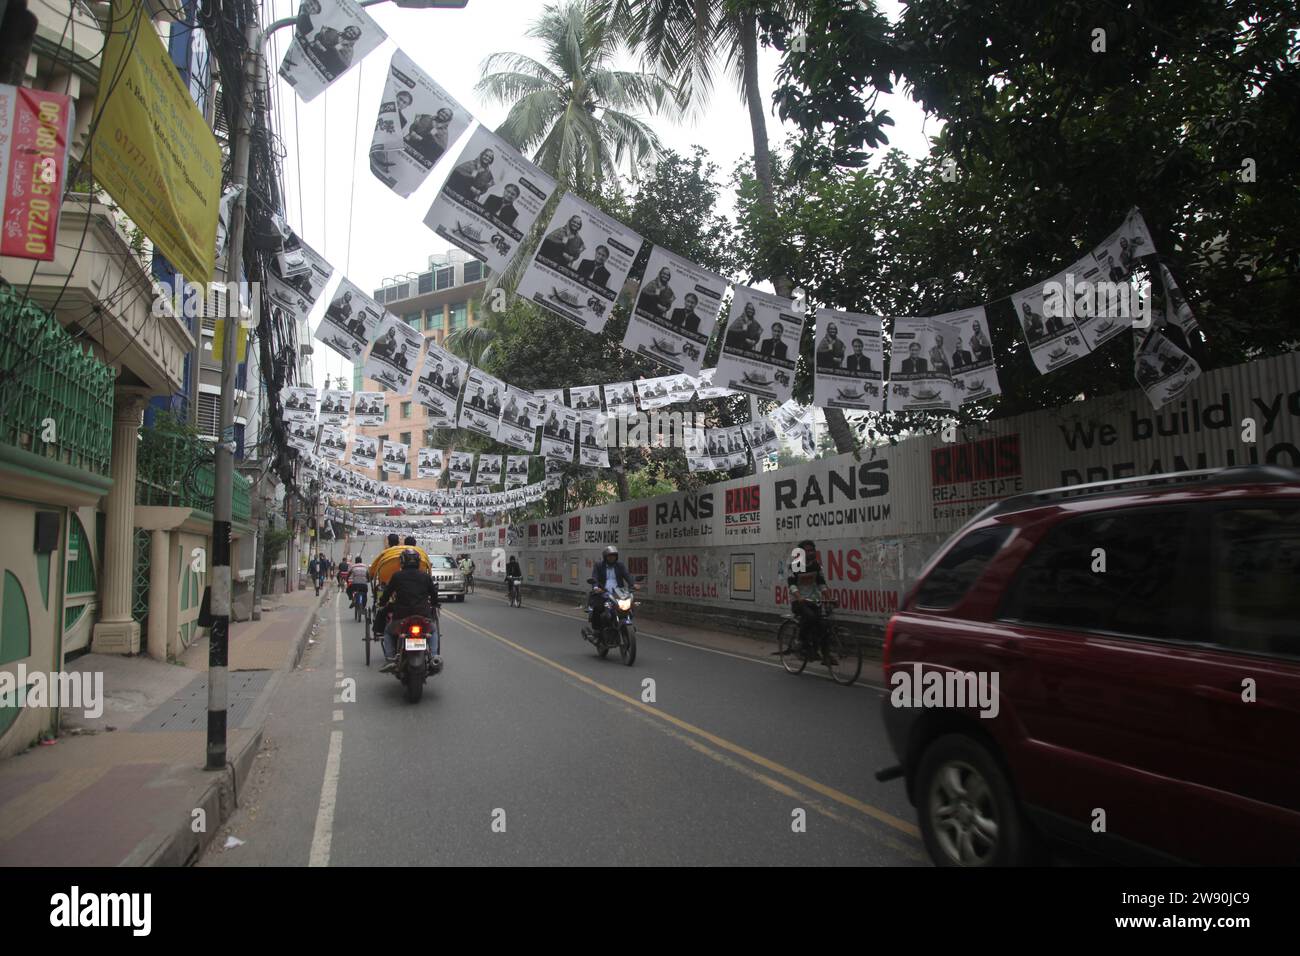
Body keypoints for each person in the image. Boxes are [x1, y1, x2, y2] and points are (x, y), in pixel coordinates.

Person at [375, 549, 441, 673]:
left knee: (388, 633)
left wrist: (382, 603)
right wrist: (435, 604)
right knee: (433, 630)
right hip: (422, 616)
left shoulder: (397, 576)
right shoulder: (425, 576)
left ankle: (390, 659)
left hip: (401, 617)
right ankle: (434, 656)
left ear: (402, 562)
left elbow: (387, 593)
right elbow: (433, 595)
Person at [788, 539, 833, 663]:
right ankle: (800, 642)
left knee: (825, 625)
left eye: (812, 550)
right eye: (807, 551)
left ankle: (826, 655)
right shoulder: (795, 566)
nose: (810, 553)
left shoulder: (816, 566)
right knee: (810, 617)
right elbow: (791, 585)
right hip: (799, 602)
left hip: (813, 601)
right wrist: (799, 597)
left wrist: (829, 597)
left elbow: (822, 584)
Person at [585, 545, 636, 636]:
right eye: (609, 556)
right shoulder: (599, 566)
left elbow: (627, 575)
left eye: (614, 555)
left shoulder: (620, 566)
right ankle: (597, 630)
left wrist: (633, 584)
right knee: (598, 608)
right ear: (605, 557)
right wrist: (596, 587)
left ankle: (626, 624)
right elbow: (595, 577)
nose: (612, 557)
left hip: (618, 593)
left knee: (629, 605)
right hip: (603, 593)